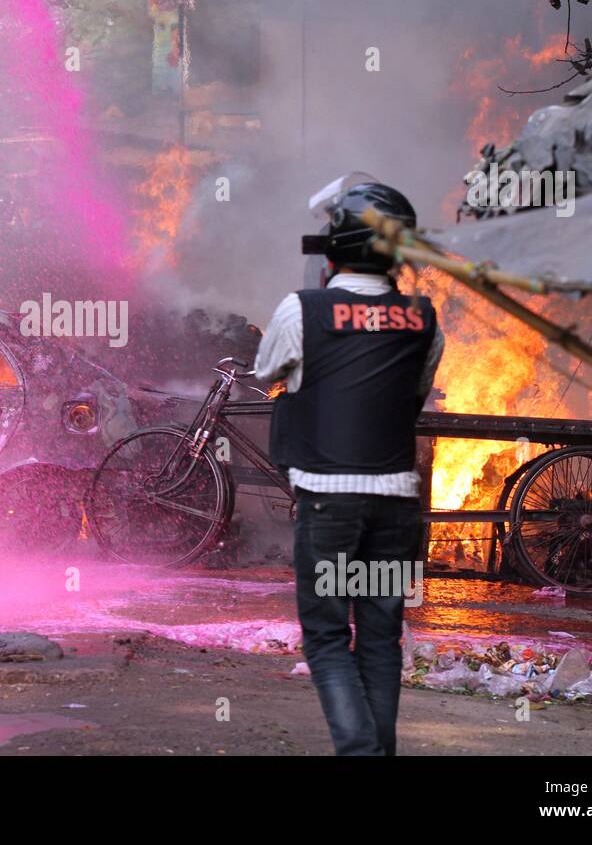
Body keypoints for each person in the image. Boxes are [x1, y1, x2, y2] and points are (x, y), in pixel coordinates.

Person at [254, 178, 444, 756]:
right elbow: (415, 391)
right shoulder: (422, 318)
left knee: (329, 638)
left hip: (329, 504)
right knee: (381, 640)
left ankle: (360, 751)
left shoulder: (301, 309)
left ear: (333, 248)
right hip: (395, 505)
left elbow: (267, 376)